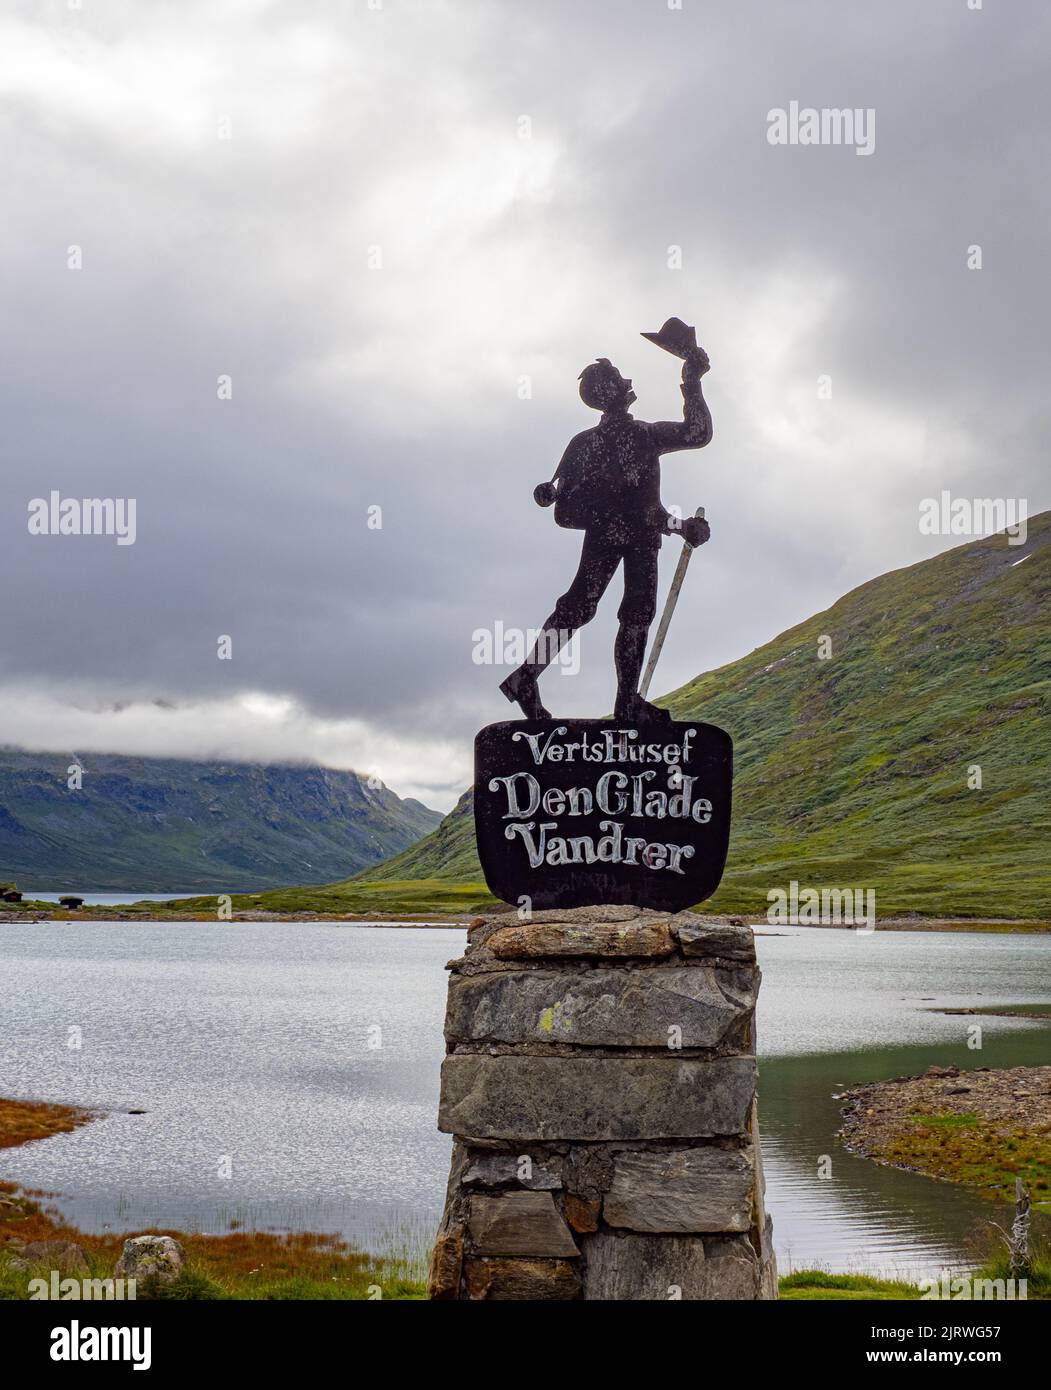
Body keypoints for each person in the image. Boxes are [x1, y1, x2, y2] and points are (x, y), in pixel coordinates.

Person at [499, 346, 713, 722]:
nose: (628, 382)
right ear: (610, 393)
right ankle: (622, 701)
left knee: (584, 606)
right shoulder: (642, 435)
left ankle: (530, 678)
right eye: (619, 379)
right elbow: (697, 434)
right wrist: (691, 383)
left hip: (613, 535)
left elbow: (563, 507)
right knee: (630, 611)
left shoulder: (584, 444)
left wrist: (663, 523)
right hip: (636, 537)